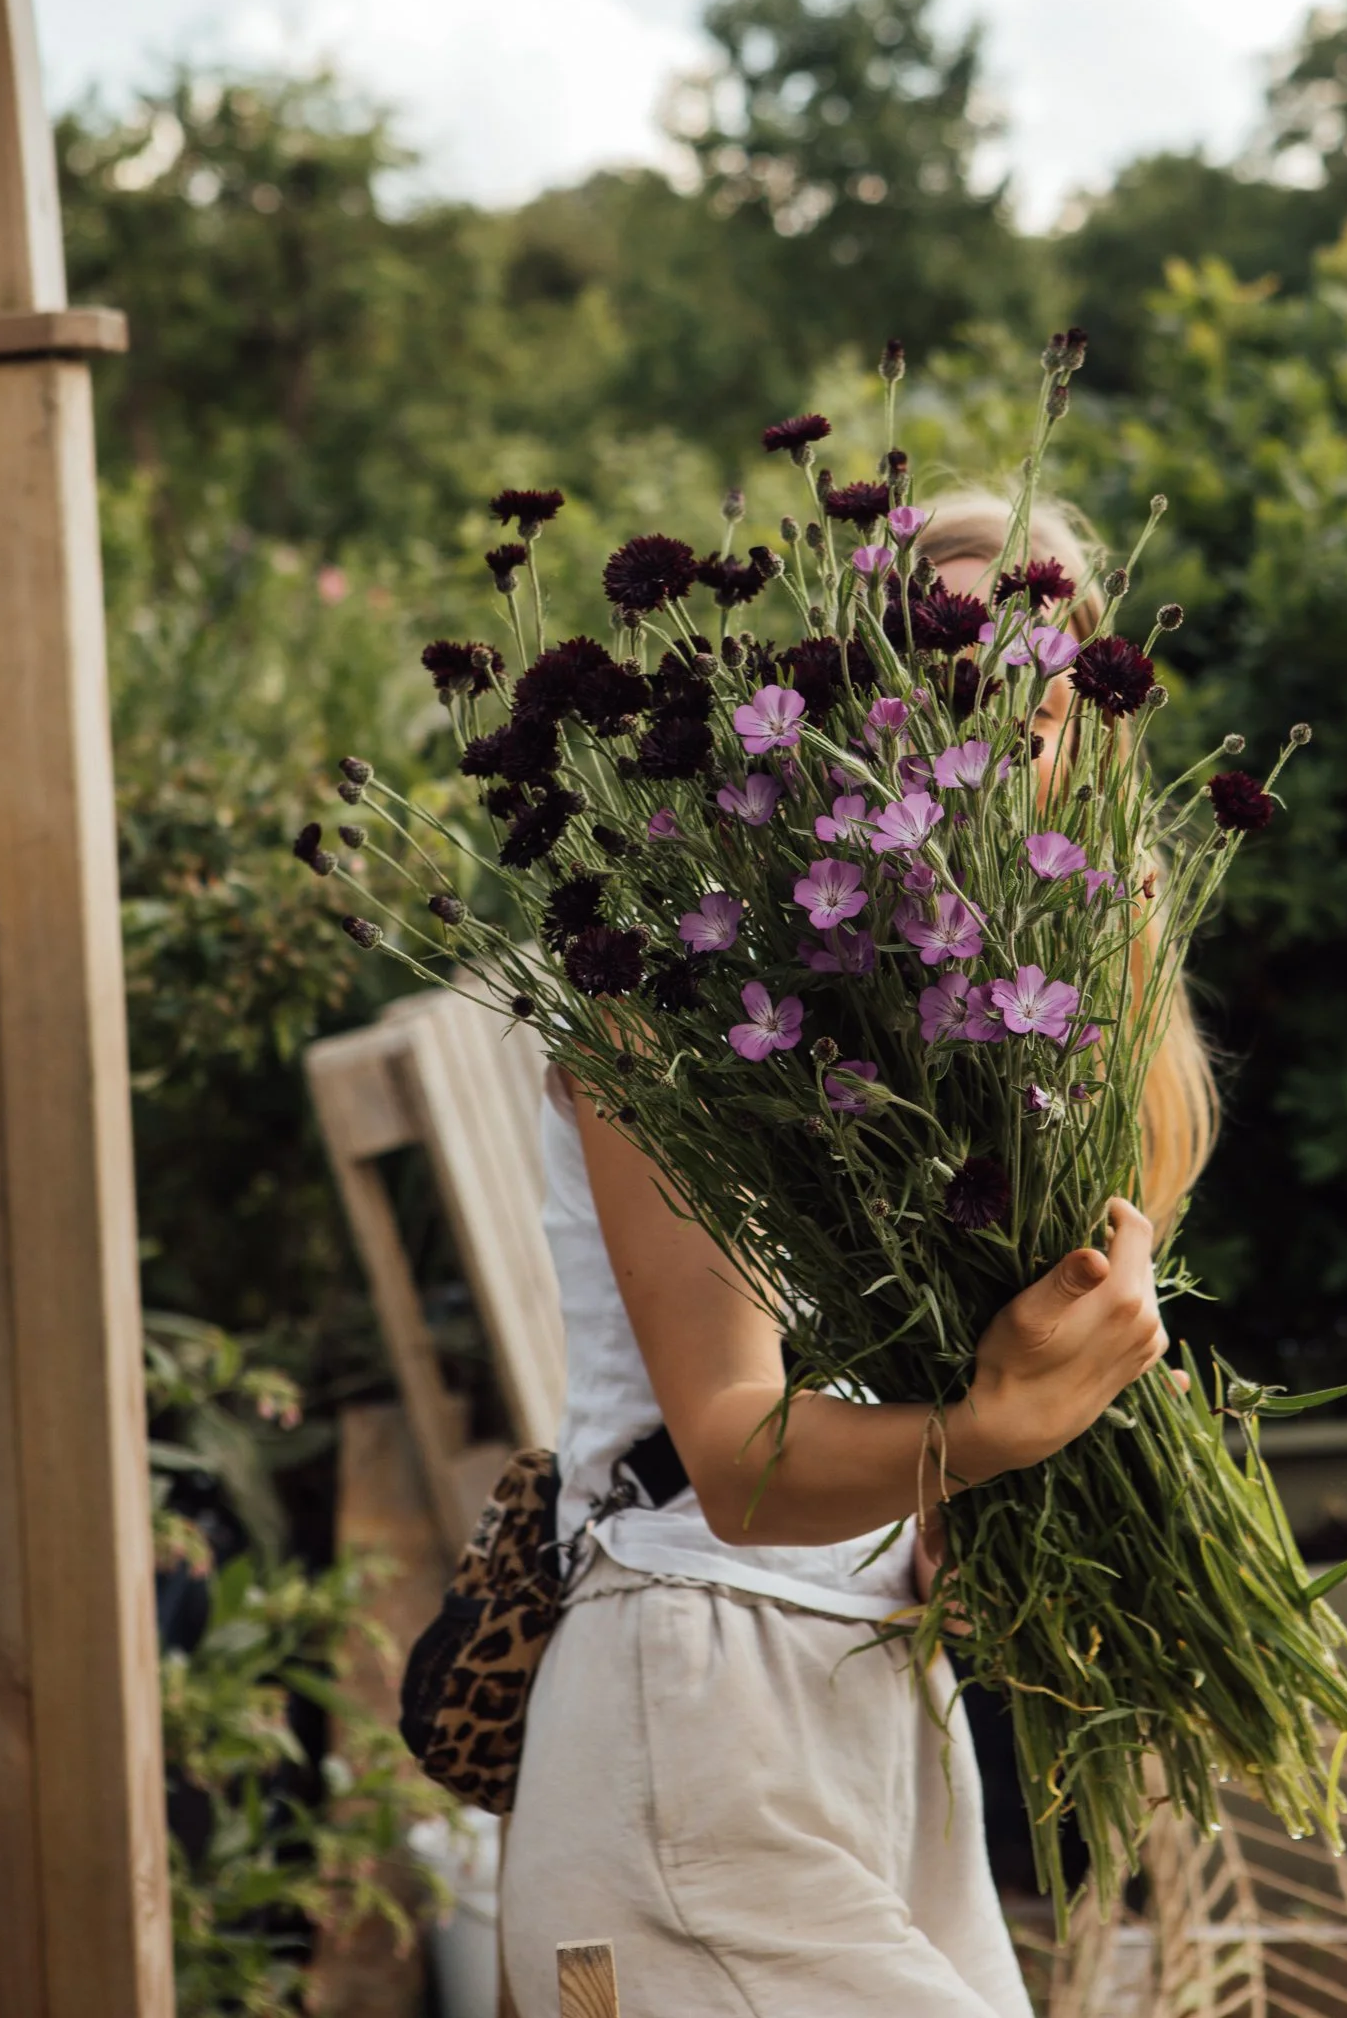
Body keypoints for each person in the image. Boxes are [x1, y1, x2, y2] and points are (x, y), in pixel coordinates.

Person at [498, 494, 1220, 2015]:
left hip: (885, 1696)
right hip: (698, 1691)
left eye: (1039, 680)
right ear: (826, 713)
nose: (988, 702)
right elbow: (740, 1467)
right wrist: (995, 1430)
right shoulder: (676, 1002)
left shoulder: (999, 1054)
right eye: (935, 659)